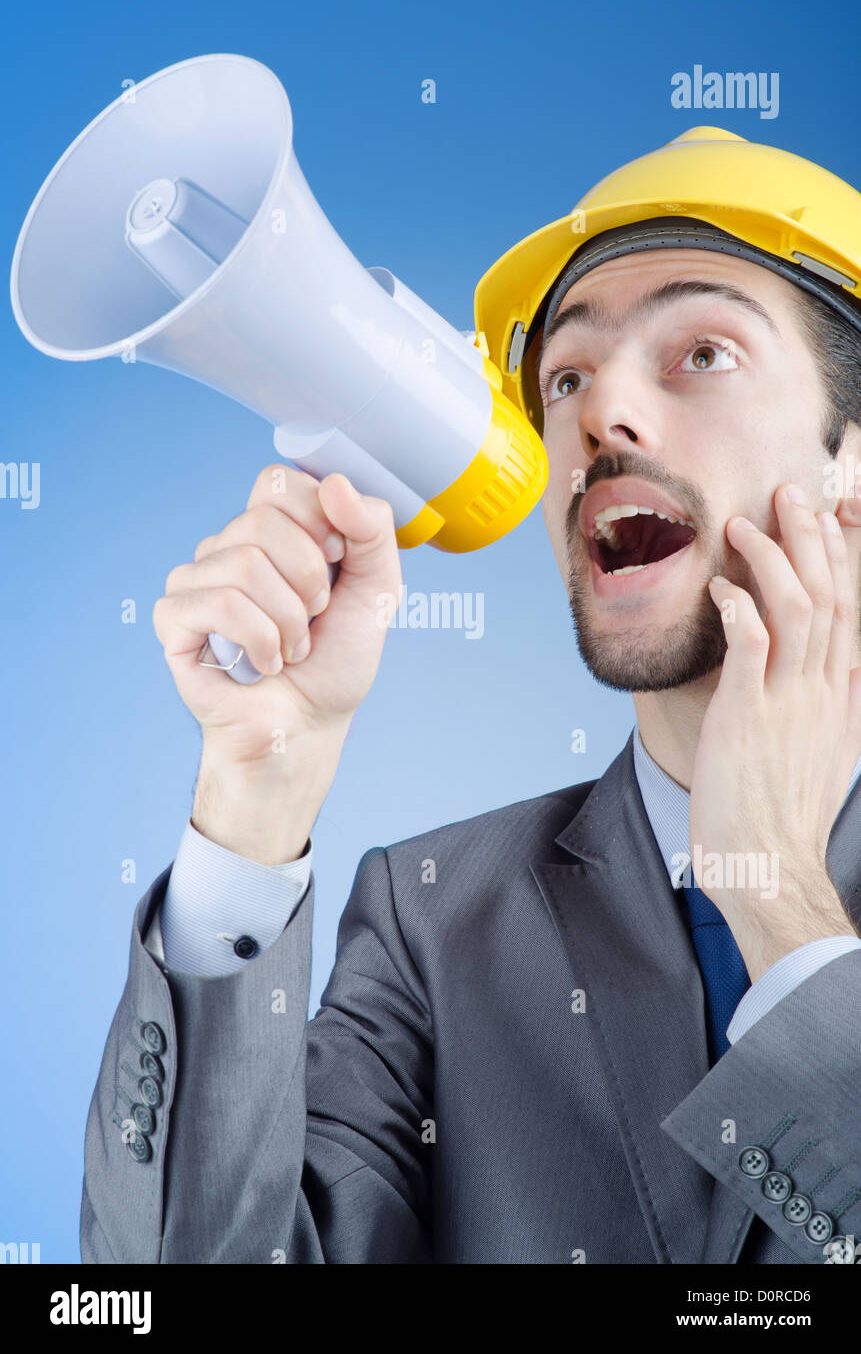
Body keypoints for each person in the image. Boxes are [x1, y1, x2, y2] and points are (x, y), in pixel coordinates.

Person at [81, 126, 861, 1264]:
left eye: (701, 353)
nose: (602, 419)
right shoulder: (434, 919)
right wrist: (255, 795)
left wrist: (782, 906)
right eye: (568, 376)